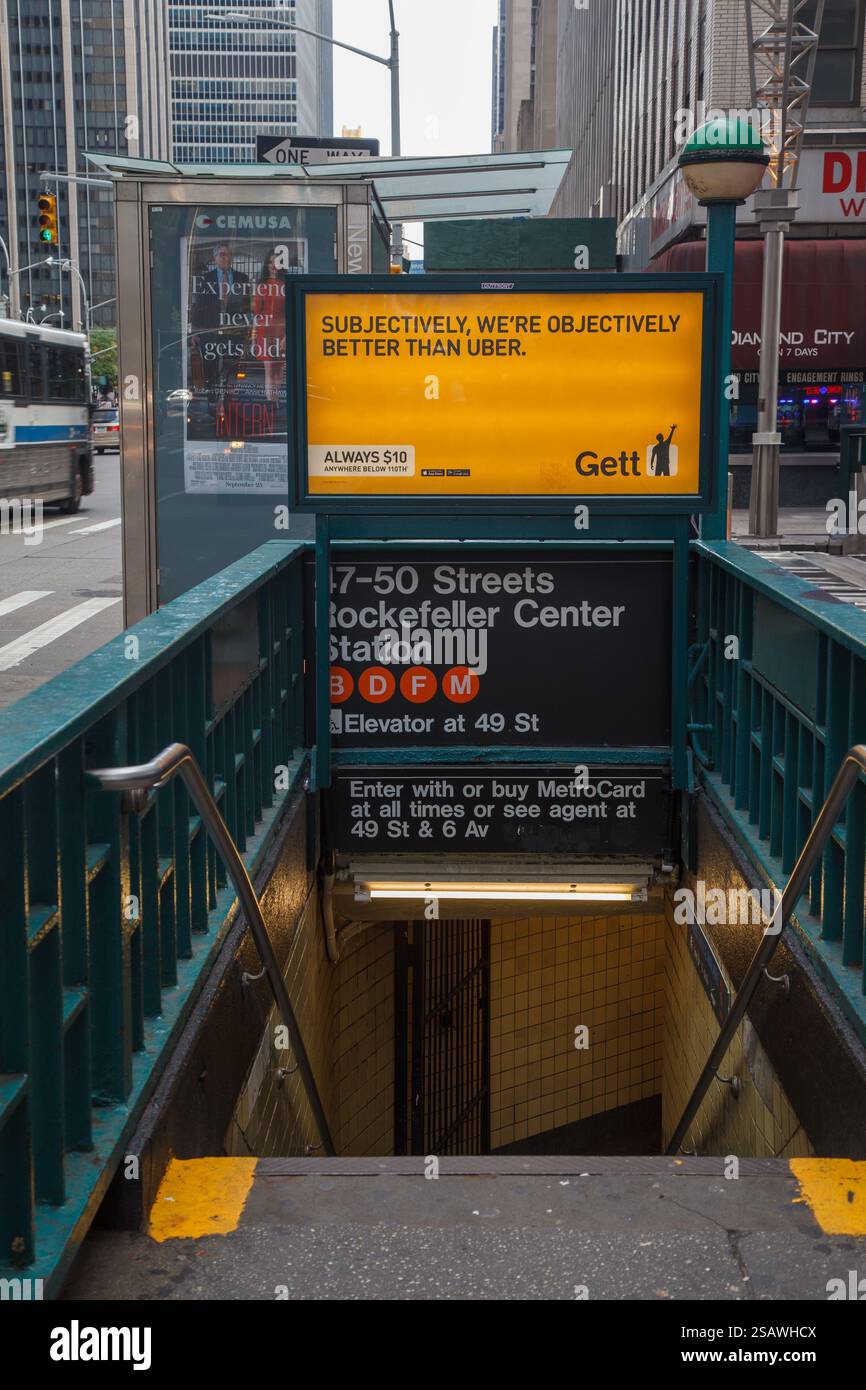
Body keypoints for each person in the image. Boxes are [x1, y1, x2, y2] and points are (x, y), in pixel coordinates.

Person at [190, 243, 251, 402]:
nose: (226, 258)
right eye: (222, 255)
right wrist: (195, 332)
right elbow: (198, 307)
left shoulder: (242, 278)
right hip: (211, 329)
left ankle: (230, 398)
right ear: (215, 258)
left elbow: (247, 307)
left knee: (232, 364)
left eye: (228, 255)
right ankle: (212, 398)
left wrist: (247, 331)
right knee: (210, 364)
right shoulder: (206, 278)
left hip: (234, 329)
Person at [250, 247, 287, 404]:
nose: (273, 265)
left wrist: (286, 336)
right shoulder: (261, 285)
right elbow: (256, 314)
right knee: (269, 369)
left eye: (276, 262)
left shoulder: (285, 284)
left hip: (281, 331)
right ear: (266, 265)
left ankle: (275, 399)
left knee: (279, 370)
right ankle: (270, 402)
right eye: (270, 262)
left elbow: (289, 311)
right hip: (265, 331)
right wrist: (254, 335)